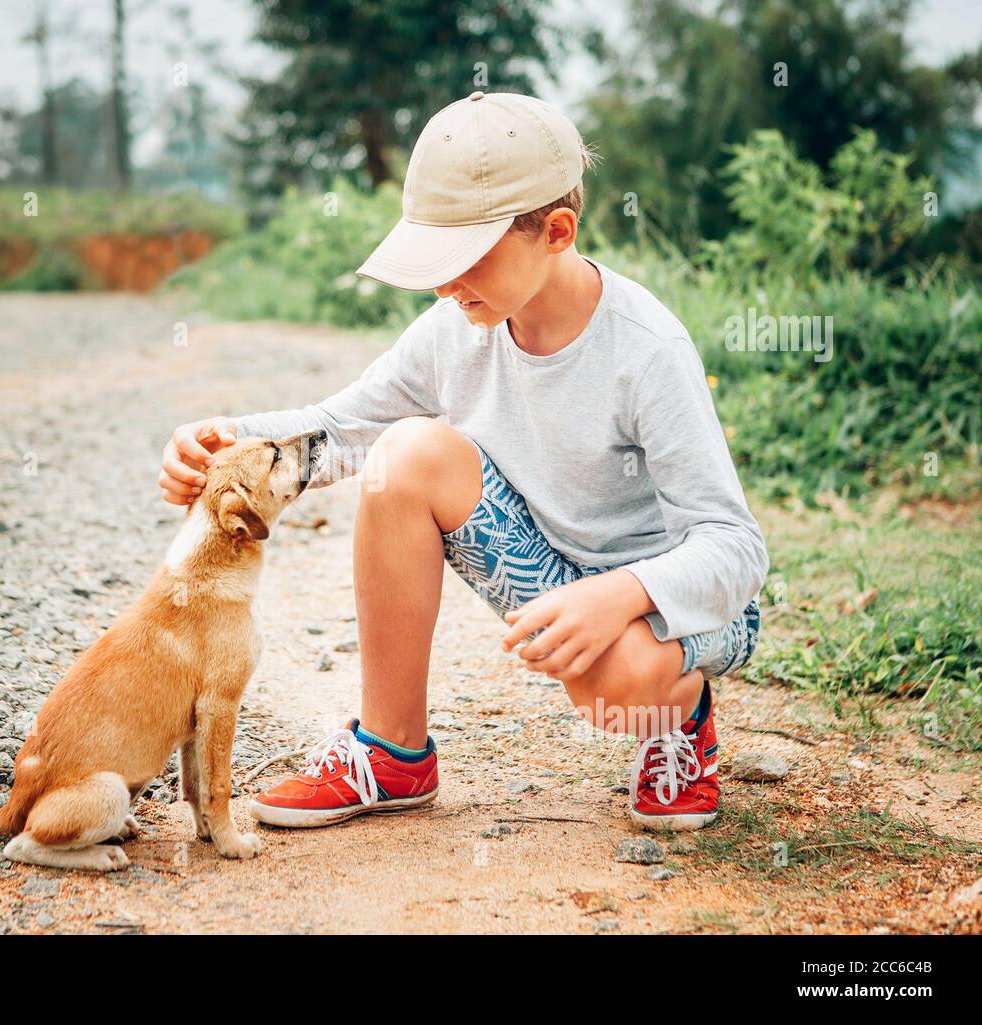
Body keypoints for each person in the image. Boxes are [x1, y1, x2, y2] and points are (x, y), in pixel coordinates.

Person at [159, 92, 767, 832]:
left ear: (556, 230)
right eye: (432, 261)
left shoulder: (646, 352)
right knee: (404, 453)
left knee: (618, 681)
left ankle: (684, 721)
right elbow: (340, 426)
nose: (444, 285)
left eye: (464, 259)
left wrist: (617, 596)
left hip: (674, 604)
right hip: (549, 577)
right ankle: (392, 753)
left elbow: (736, 549)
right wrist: (224, 440)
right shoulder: (456, 327)